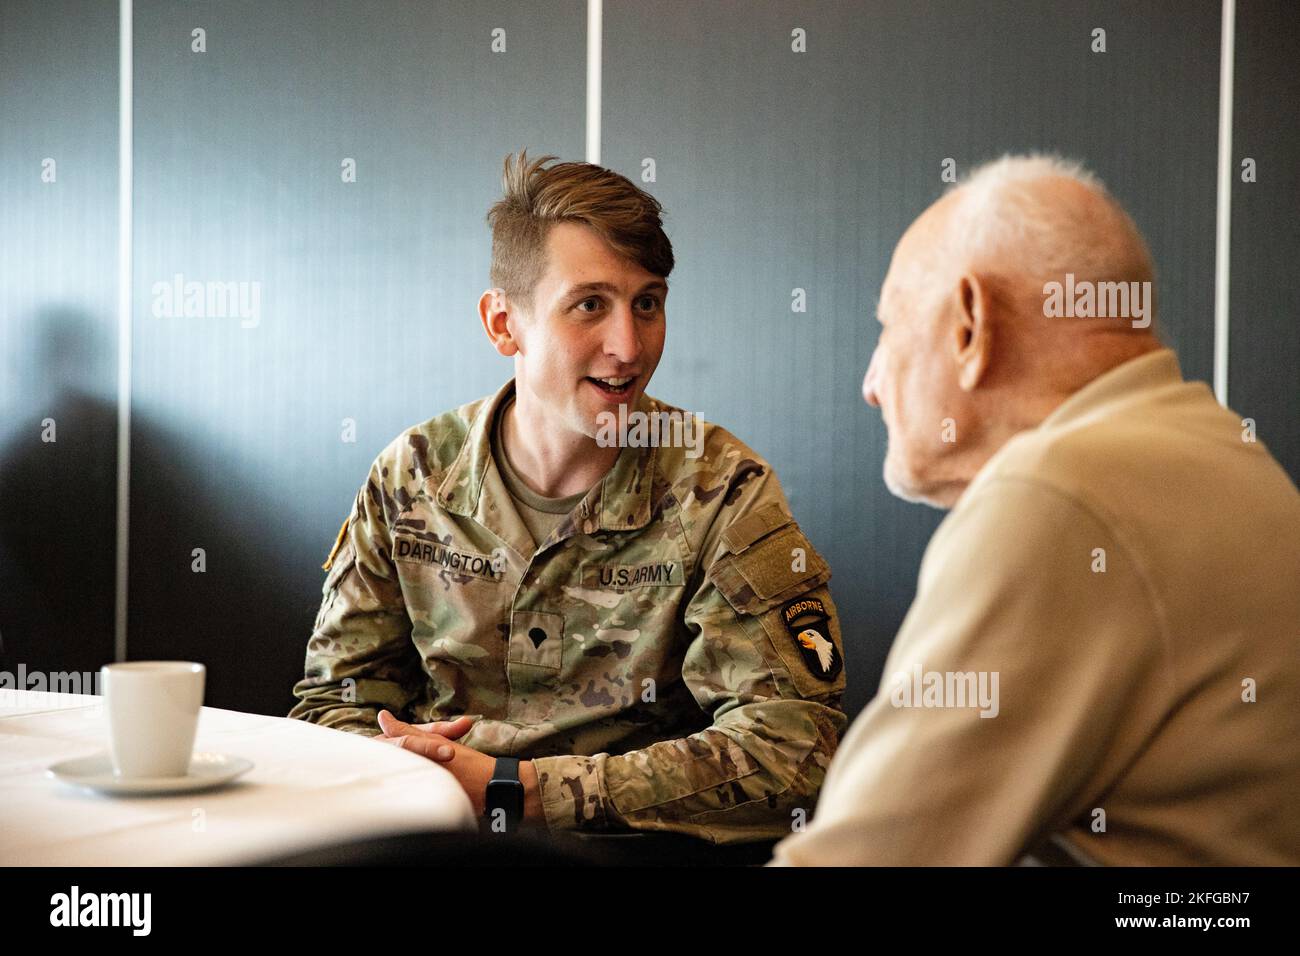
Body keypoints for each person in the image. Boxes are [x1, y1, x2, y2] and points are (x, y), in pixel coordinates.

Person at [289, 152, 847, 845]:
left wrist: (516, 791)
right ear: (504, 325)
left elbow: (797, 748)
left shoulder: (720, 488)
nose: (629, 345)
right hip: (438, 842)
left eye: (648, 303)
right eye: (590, 305)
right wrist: (416, 775)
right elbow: (331, 708)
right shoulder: (413, 478)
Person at [770, 154, 1300, 866]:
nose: (871, 384)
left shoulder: (1056, 494)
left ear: (969, 325)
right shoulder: (1229, 457)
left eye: (889, 326)